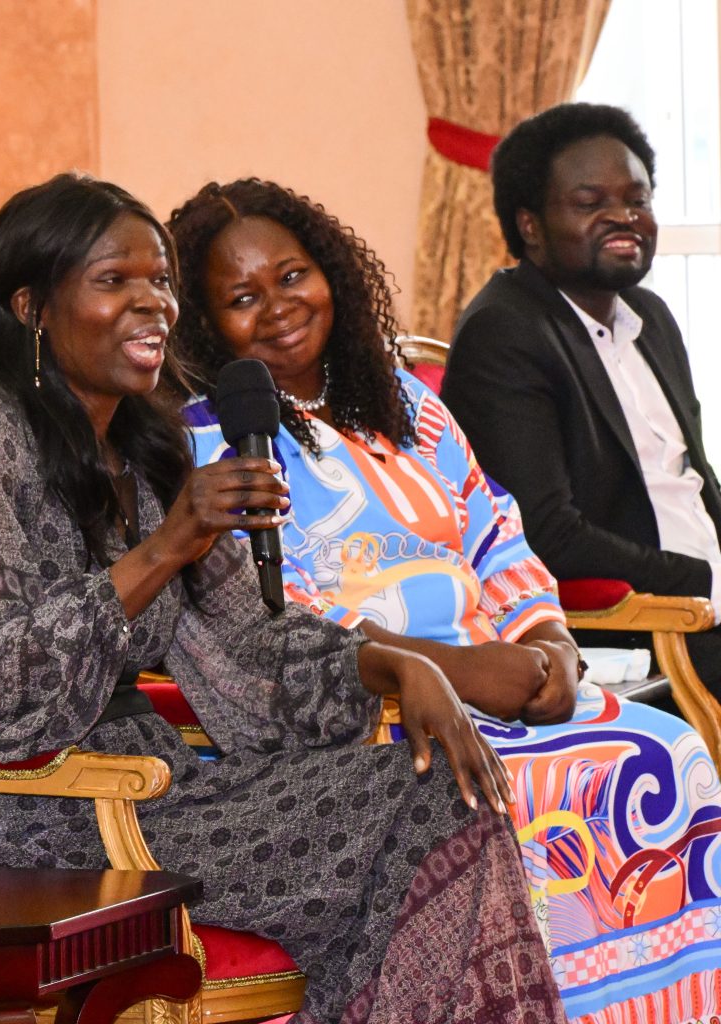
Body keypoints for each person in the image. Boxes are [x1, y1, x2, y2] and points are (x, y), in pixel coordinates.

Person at [0, 172, 564, 1022]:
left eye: (161, 282)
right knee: (425, 801)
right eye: (115, 283)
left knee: (438, 786)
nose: (154, 305)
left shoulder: (151, 453)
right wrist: (165, 548)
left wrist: (392, 666)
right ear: (31, 307)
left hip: (157, 791)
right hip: (33, 818)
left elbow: (258, 652)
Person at [171, 176, 721, 1023]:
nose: (278, 307)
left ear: (331, 273)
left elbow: (497, 534)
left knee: (670, 748)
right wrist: (465, 674)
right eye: (241, 297)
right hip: (368, 719)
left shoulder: (410, 406)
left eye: (291, 276)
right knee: (501, 790)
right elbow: (274, 622)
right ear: (206, 323)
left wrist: (551, 649)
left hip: (506, 681)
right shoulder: (204, 443)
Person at [441, 102, 721, 692]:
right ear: (530, 225)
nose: (624, 217)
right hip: (634, 631)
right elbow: (545, 534)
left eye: (637, 200)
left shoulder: (651, 316)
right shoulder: (505, 332)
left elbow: (692, 483)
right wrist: (708, 582)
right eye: (591, 204)